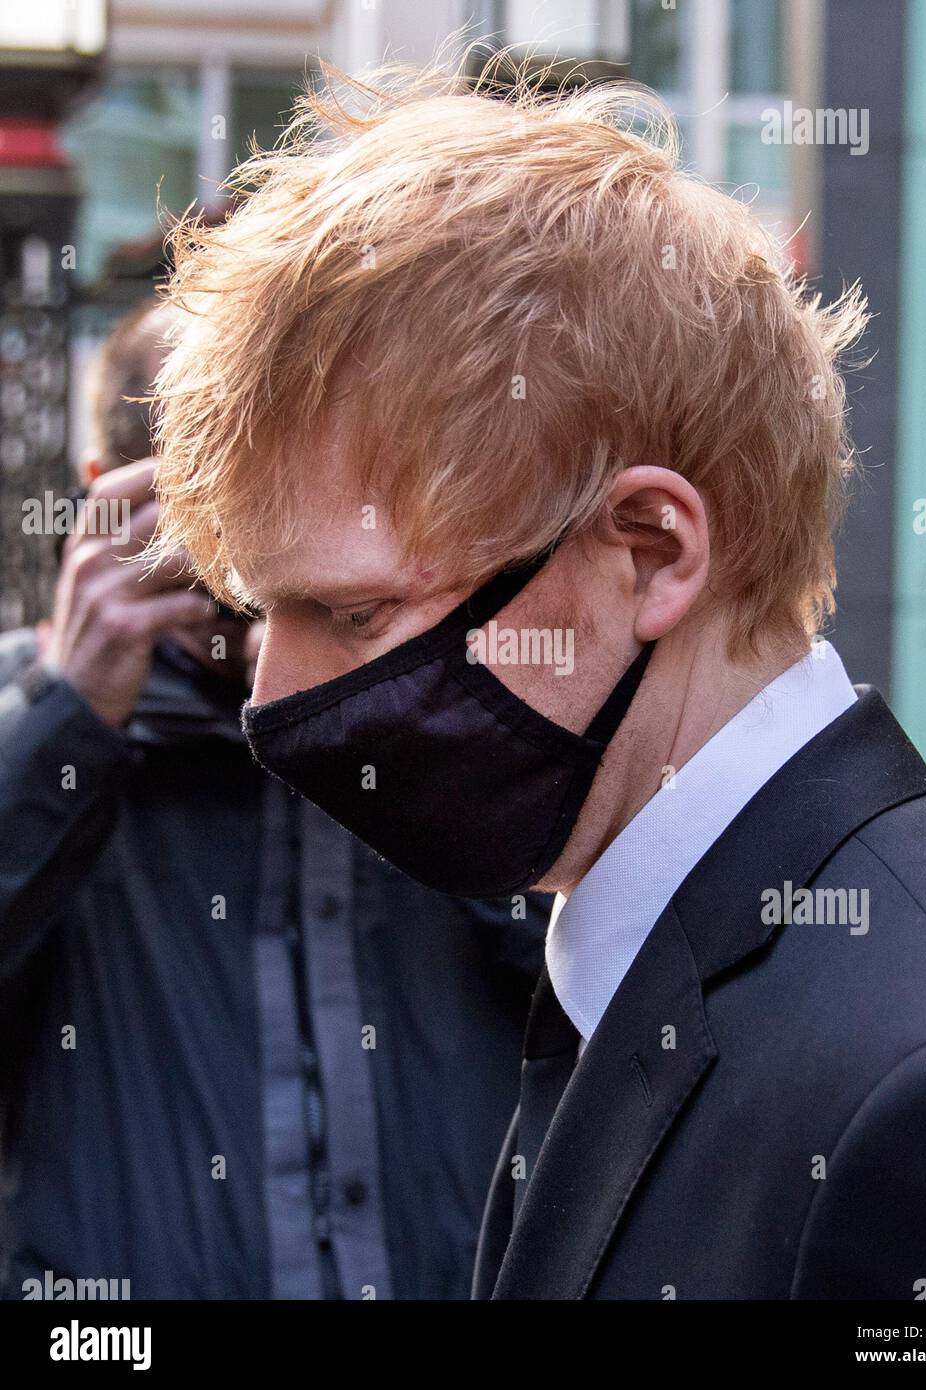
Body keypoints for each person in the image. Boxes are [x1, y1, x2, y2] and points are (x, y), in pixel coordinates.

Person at [148, 58, 926, 1301]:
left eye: (355, 610)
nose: (275, 698)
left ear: (651, 551)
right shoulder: (649, 951)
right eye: (259, 614)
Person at [0, 301, 549, 1301]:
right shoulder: (26, 720)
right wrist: (67, 716)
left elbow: (590, 995)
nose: (249, 575)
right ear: (106, 497)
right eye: (212, 517)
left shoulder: (440, 711)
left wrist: (384, 711)